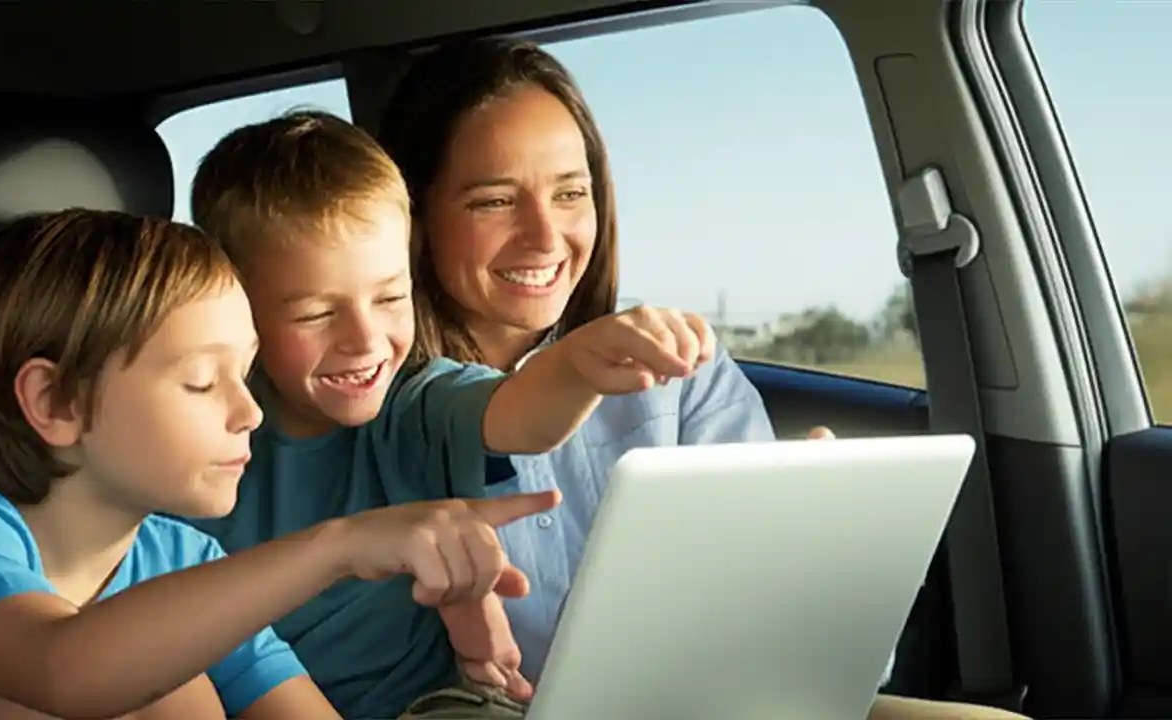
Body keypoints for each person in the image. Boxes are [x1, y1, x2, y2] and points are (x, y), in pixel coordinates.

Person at [377, 36, 1031, 720]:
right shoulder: (386, 411)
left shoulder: (679, 371)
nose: (546, 235)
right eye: (494, 201)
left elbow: (806, 648)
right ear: (414, 219)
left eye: (572, 193)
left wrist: (817, 543)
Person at [0, 208, 561, 719]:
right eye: (203, 381)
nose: (250, 412)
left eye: (245, 373)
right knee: (164, 690)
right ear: (57, 400)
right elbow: (65, 669)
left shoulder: (187, 561)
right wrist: (342, 544)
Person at [187, 110, 719, 719]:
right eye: (314, 314)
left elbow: (510, 413)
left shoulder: (411, 402)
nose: (365, 340)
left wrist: (576, 365)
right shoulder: (198, 451)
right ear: (233, 310)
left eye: (390, 298)